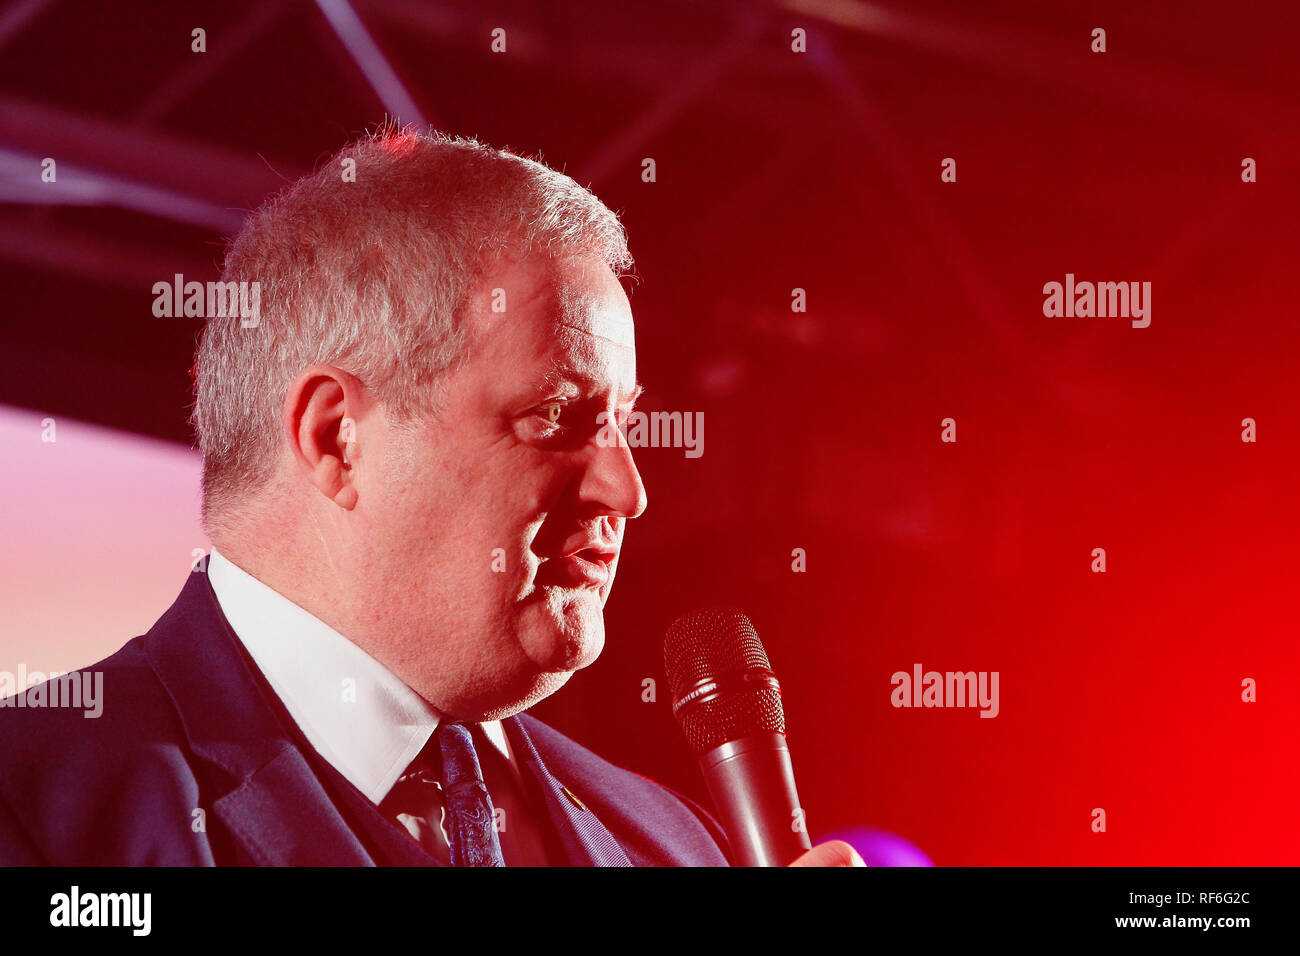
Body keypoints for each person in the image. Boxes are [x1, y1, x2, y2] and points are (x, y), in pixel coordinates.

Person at [0, 129, 861, 867]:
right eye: (556, 415)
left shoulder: (672, 844)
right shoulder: (38, 809)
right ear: (338, 438)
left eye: (625, 424)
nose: (627, 491)